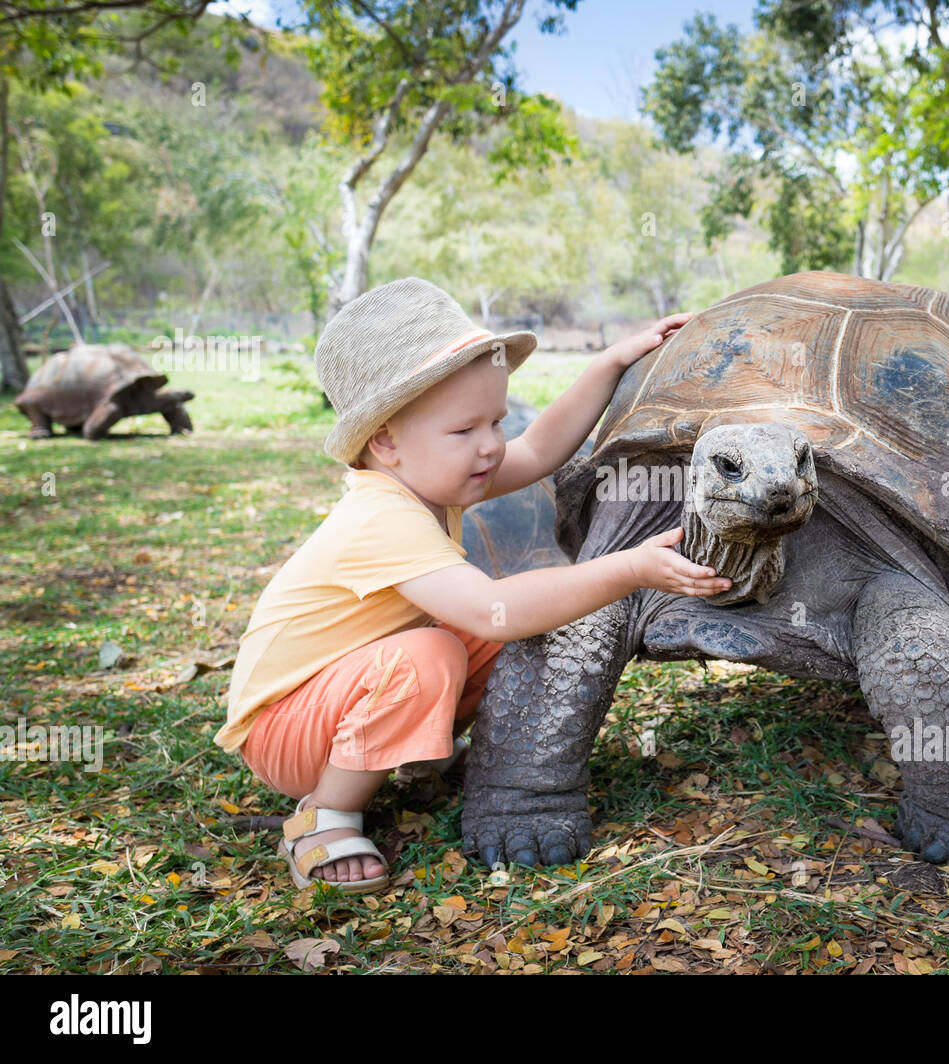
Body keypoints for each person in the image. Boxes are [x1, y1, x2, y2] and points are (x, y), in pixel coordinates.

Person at [213, 277, 731, 894]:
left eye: (496, 421)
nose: (491, 445)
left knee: (482, 639)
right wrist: (628, 568)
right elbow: (495, 611)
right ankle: (323, 815)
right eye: (466, 431)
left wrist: (612, 361)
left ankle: (415, 752)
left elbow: (538, 448)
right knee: (438, 648)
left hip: (334, 696)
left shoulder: (429, 480)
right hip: (282, 728)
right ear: (386, 441)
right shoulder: (382, 517)